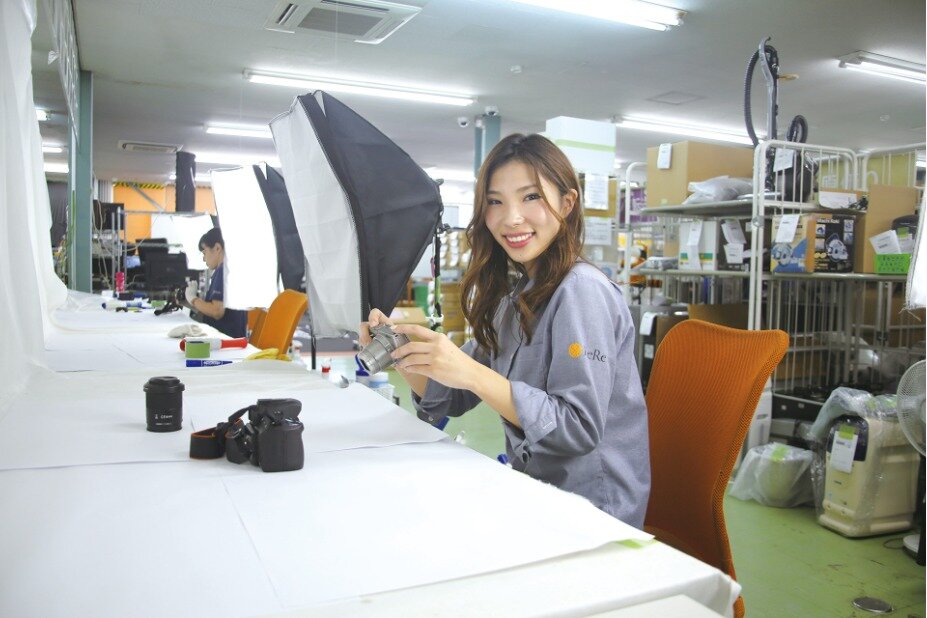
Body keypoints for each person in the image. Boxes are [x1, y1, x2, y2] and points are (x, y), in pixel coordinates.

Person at [362, 134, 650, 527]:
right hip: (537, 492)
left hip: (593, 514)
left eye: (531, 197)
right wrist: (401, 351)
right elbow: (451, 398)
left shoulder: (582, 291)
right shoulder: (517, 297)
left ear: (567, 203)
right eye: (495, 201)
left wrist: (473, 373)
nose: (511, 218)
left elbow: (578, 429)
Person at [186, 227, 247, 338]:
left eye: (204, 252)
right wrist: (190, 303)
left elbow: (217, 311)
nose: (204, 259)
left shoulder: (223, 271)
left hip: (224, 340)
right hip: (231, 338)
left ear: (217, 248)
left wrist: (193, 299)